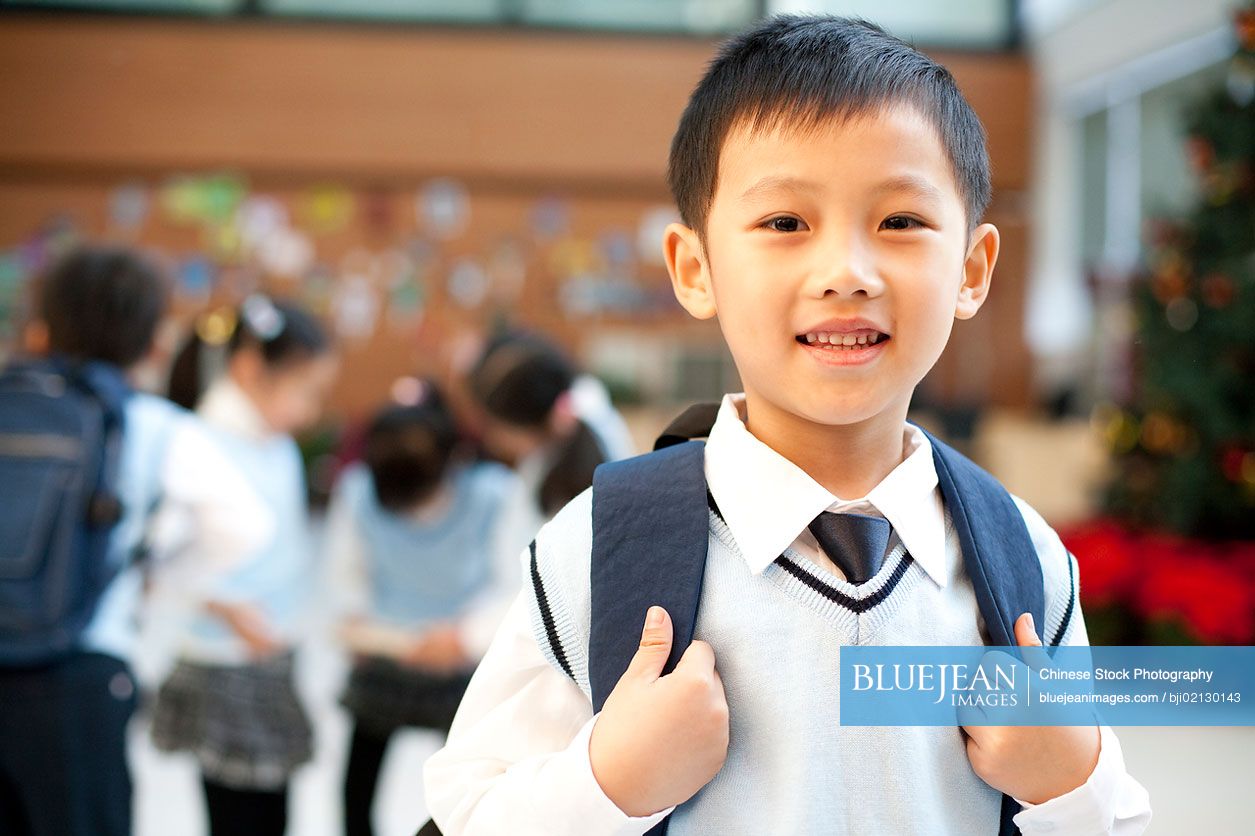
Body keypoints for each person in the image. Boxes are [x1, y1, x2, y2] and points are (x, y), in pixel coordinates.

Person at [423, 16, 1152, 835]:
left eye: (900, 222)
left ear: (972, 270)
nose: (845, 271)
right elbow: (465, 813)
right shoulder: (601, 547)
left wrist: (1072, 785)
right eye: (784, 224)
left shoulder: (1024, 560)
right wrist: (609, 784)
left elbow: (1107, 819)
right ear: (695, 270)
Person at [0, 245, 269, 836]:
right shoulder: (151, 423)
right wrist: (156, 577)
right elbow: (245, 526)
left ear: (42, 328)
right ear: (152, 343)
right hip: (79, 668)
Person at [150, 295, 337, 836]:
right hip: (220, 659)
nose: (312, 410)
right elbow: (163, 557)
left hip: (271, 653)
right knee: (235, 815)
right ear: (251, 369)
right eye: (308, 392)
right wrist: (222, 606)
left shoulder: (275, 445)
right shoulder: (197, 443)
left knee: (273, 810)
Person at [323, 380, 517, 836]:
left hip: (461, 661)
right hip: (385, 654)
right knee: (356, 790)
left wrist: (463, 636)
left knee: (472, 790)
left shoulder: (493, 494)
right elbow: (346, 570)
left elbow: (513, 583)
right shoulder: (358, 492)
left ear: (453, 462)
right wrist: (354, 620)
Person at [465, 331, 634, 581]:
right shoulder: (576, 432)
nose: (493, 438)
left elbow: (516, 572)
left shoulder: (568, 474)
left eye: (495, 426)